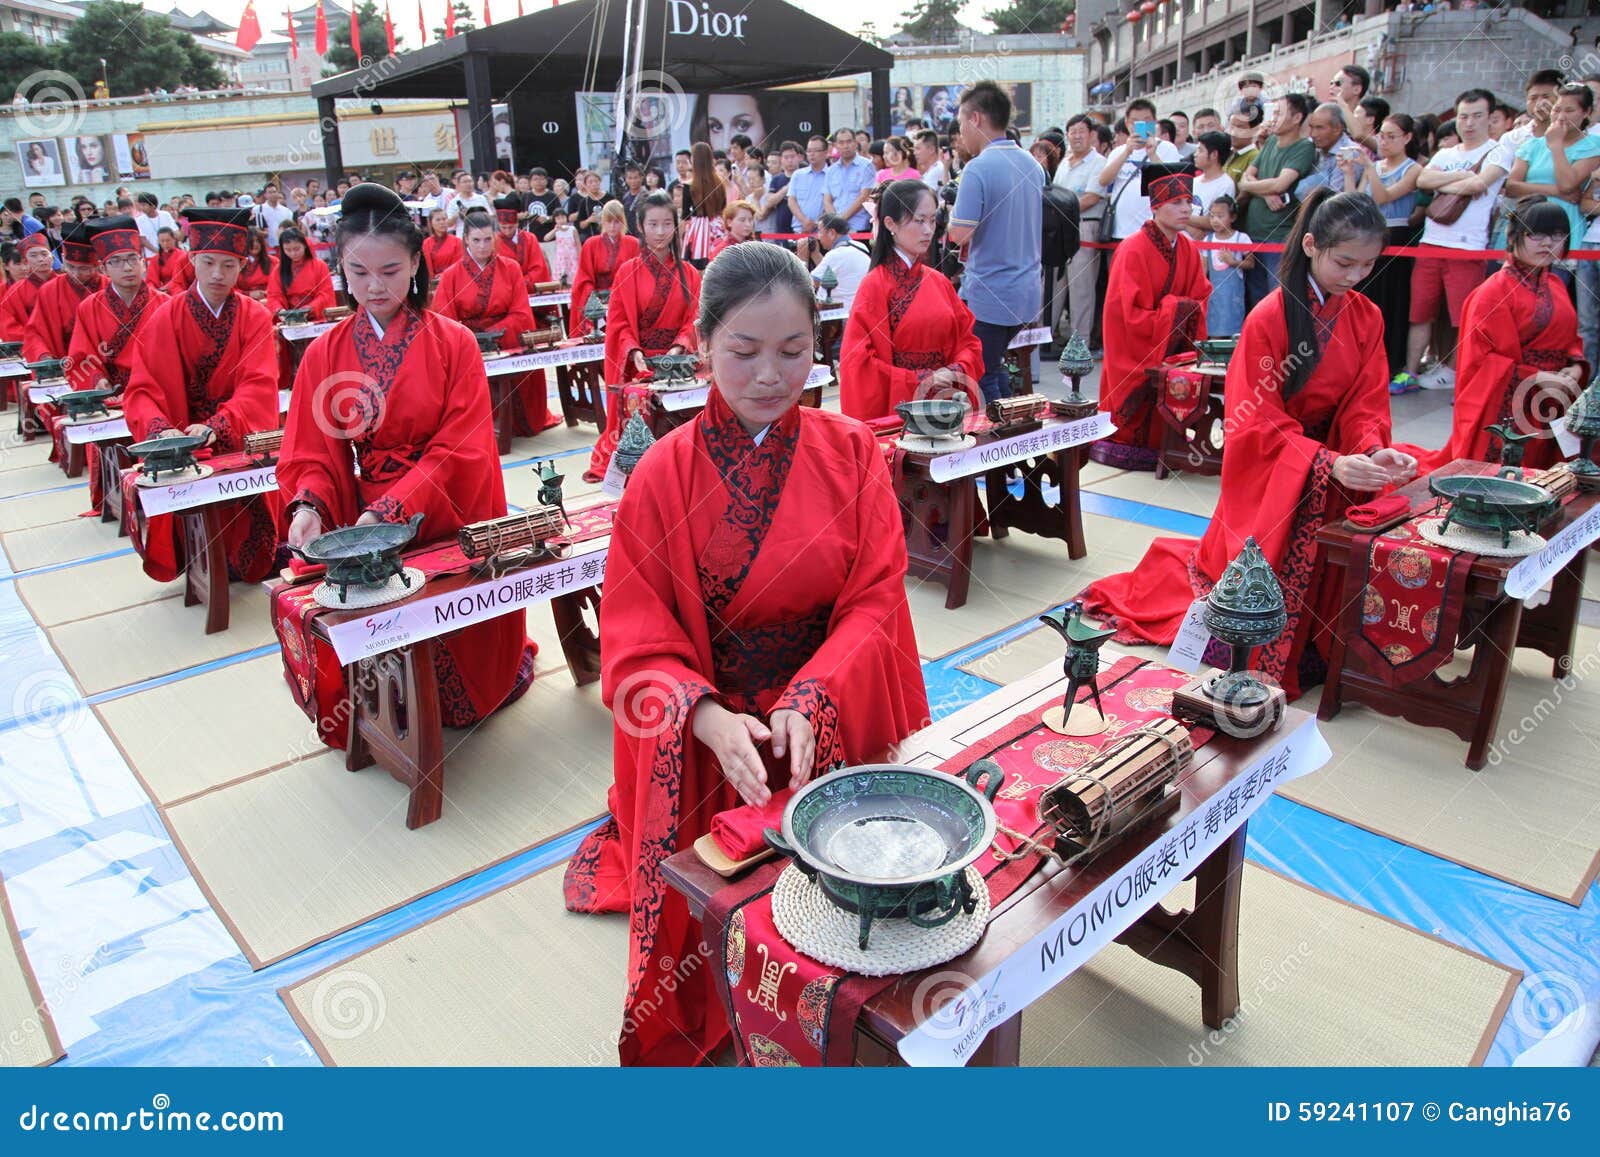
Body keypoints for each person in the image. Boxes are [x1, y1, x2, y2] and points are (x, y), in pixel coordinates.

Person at [562, 241, 928, 1067]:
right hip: (711, 733)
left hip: (818, 715)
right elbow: (632, 633)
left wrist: (814, 694)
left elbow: (876, 597)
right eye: (745, 351)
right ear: (702, 349)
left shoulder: (854, 452)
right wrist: (703, 713)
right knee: (719, 919)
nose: (771, 374)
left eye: (794, 351)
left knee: (843, 918)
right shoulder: (661, 474)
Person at [1082, 190, 1414, 702]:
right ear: (1310, 245)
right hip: (1281, 470)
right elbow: (1255, 422)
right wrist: (1327, 462)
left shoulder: (1366, 317)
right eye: (1344, 262)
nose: (1354, 276)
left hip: (1331, 459)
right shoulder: (1269, 318)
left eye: (1367, 266)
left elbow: (1366, 402)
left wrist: (1372, 450)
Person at [278, 183, 536, 747]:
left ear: (418, 263)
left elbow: (458, 449)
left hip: (447, 507)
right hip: (365, 516)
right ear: (340, 267)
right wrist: (310, 505)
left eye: (391, 271)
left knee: (463, 698)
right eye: (359, 272)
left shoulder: (455, 344)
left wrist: (391, 512)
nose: (375, 287)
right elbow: (314, 453)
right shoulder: (325, 352)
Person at [122, 207, 281, 585]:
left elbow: (258, 385)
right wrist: (161, 430)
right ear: (192, 259)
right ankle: (202, 558)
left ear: (242, 266)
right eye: (208, 262)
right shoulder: (166, 315)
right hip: (182, 445)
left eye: (229, 265)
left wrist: (216, 426)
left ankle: (245, 558)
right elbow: (142, 389)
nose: (217, 274)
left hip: (236, 435)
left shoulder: (254, 315)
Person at [1403, 199, 1586, 474]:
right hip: (1510, 403)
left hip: (1552, 396)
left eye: (1558, 235)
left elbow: (1570, 339)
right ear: (1512, 237)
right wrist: (1536, 377)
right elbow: (1482, 360)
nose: (1549, 242)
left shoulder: (1557, 283)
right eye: (1536, 234)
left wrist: (1574, 365)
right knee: (1501, 477)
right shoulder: (1494, 292)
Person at [1091, 164, 1211, 469]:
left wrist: (1175, 311)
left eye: (1188, 202)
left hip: (1172, 347)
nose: (1186, 210)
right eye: (1176, 203)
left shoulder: (1188, 248)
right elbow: (1127, 316)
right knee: (1131, 428)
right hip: (1136, 348)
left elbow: (1201, 297)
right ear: (1156, 205)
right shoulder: (1132, 250)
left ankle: (1170, 440)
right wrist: (1175, 310)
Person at [839, 182, 984, 420]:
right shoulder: (874, 285)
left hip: (945, 400)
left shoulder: (939, 282)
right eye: (919, 220)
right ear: (890, 224)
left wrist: (956, 370)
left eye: (932, 220)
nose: (928, 230)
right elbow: (859, 362)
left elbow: (968, 340)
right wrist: (921, 380)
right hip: (902, 408)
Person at [585, 191, 701, 482]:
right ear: (640, 226)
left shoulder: (689, 273)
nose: (660, 232)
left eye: (666, 224)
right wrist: (633, 351)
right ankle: (641, 459)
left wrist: (679, 348)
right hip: (639, 364)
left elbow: (694, 320)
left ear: (676, 226)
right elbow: (620, 322)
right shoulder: (627, 271)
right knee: (638, 399)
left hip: (680, 363)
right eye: (652, 224)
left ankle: (687, 455)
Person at [946, 80, 1045, 404]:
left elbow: (958, 234)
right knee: (996, 366)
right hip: (1027, 292)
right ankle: (1014, 435)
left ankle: (998, 447)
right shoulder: (1033, 164)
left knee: (982, 372)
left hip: (990, 292)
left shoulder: (978, 169)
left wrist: (947, 214)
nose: (961, 132)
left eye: (961, 122)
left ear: (976, 118)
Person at [53, 217, 165, 501]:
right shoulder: (90, 307)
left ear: (144, 262)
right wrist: (98, 380)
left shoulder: (166, 304)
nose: (127, 267)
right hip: (112, 394)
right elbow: (80, 356)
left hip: (158, 393)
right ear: (103, 268)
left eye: (132, 259)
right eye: (116, 261)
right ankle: (117, 495)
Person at [1405, 88, 1508, 392]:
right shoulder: (1446, 153)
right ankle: (1410, 372)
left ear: (1490, 118)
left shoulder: (1498, 151)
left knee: (1464, 317)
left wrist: (1449, 181)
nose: (1469, 123)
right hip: (1431, 242)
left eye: (1477, 116)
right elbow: (1422, 180)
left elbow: (1481, 183)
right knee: (1420, 312)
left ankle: (1456, 373)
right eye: (1464, 116)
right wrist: (1460, 179)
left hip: (1468, 247)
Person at [433, 209, 555, 440]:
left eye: (488, 239)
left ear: (495, 238)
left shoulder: (510, 268)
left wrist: (493, 335)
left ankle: (517, 421)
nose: (482, 246)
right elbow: (444, 319)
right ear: (465, 239)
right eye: (476, 240)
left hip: (505, 338)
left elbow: (521, 314)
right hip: (468, 343)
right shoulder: (451, 275)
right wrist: (471, 340)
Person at [1347, 114, 1422, 385]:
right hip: (1367, 234)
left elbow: (1383, 197)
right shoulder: (1374, 167)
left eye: (1392, 136)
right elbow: (1354, 200)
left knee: (1393, 301)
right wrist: (1349, 172)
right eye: (1383, 135)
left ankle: (1391, 363)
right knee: (1364, 298)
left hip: (1397, 235)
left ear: (1407, 138)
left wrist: (1369, 167)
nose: (1386, 142)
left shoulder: (1412, 169)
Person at [1238, 91, 1317, 307]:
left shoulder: (1304, 147)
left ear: (1297, 117)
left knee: (1276, 299)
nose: (1273, 118)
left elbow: (1281, 184)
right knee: (1254, 298)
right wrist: (1266, 192)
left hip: (1279, 235)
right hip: (1253, 233)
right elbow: (1246, 176)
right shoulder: (1271, 141)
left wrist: (1254, 186)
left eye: (1280, 113)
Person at [1095, 98, 1184, 245]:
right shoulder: (1119, 151)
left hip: (1156, 230)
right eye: (1135, 121)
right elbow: (1103, 181)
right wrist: (1127, 152)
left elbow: (1171, 184)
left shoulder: (1167, 148)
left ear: (1155, 122)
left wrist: (1152, 154)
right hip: (1121, 231)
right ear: (1127, 123)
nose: (1141, 125)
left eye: (1146, 120)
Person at [1055, 114, 1105, 351]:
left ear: (1091, 134)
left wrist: (1064, 208)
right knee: (1056, 283)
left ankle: (1080, 343)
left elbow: (1092, 197)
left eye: (1081, 131)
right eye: (1072, 131)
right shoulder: (1064, 163)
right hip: (1060, 228)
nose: (1076, 136)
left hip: (1085, 225)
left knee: (1081, 286)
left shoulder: (1098, 163)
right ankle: (1049, 337)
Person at [23, 222, 100, 362]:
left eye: (84, 268)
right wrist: (43, 355)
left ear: (97, 265)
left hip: (103, 359)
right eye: (71, 267)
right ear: (63, 260)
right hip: (62, 362)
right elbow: (36, 331)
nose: (76, 274)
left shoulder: (109, 287)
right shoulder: (49, 290)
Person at [567, 201, 638, 334]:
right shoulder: (590, 244)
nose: (612, 226)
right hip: (597, 298)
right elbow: (584, 276)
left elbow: (637, 277)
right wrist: (593, 297)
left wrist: (616, 293)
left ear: (623, 222)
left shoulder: (633, 244)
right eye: (608, 221)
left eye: (617, 222)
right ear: (602, 222)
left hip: (624, 298)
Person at [1203, 195, 1252, 336]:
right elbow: (1203, 270)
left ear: (1232, 217)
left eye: (1220, 216)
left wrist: (1233, 262)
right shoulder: (1208, 240)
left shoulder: (1241, 238)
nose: (1215, 221)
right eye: (1212, 216)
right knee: (1214, 332)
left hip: (1233, 297)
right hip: (1214, 297)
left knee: (1234, 334)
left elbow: (1251, 263)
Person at [267, 226, 336, 319]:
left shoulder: (320, 265)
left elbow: (325, 294)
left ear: (304, 245)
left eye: (296, 249)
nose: (293, 253)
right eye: (288, 250)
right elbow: (273, 297)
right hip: (288, 317)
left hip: (315, 315)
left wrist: (308, 309)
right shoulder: (278, 270)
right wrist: (281, 312)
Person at [808, 214, 870, 311]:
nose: (818, 237)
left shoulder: (835, 254)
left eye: (820, 231)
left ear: (832, 233)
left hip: (839, 315)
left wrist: (802, 259)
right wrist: (815, 254)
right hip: (859, 310)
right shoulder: (861, 247)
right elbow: (831, 271)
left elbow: (810, 283)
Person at [492, 196, 554, 291]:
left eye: (511, 227)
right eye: (503, 227)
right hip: (506, 289)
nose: (507, 231)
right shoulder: (494, 242)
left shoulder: (530, 238)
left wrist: (521, 283)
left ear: (517, 224)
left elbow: (538, 268)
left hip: (529, 286)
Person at [681, 142, 728, 266]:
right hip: (718, 227)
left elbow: (685, 215)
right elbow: (723, 207)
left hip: (697, 229)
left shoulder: (689, 186)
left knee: (696, 266)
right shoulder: (719, 182)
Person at [0, 233, 53, 341]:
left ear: (52, 257)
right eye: (33, 256)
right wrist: (35, 343)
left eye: (44, 254)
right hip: (32, 347)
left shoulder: (67, 283)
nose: (40, 259)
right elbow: (7, 325)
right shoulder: (15, 291)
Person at [823, 127, 877, 233]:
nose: (845, 146)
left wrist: (841, 220)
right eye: (841, 143)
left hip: (859, 228)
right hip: (835, 229)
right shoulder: (831, 170)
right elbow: (827, 200)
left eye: (848, 142)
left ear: (855, 143)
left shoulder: (866, 165)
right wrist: (835, 221)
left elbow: (864, 196)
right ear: (835, 146)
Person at [1188, 131, 1236, 236]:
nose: (1195, 154)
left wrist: (1182, 218)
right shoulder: (1194, 181)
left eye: (1200, 150)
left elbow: (1216, 220)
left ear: (1214, 154)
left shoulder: (1225, 184)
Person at [786, 134, 830, 244]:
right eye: (809, 151)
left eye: (816, 150)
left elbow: (833, 203)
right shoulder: (798, 175)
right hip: (799, 232)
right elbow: (791, 200)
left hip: (823, 233)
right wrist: (804, 221)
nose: (812, 154)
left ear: (825, 152)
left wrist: (816, 223)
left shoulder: (833, 175)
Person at [422, 207, 463, 281]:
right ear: (431, 223)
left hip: (453, 280)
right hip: (432, 283)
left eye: (444, 219)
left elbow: (459, 264)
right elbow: (426, 267)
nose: (442, 222)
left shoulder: (457, 242)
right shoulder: (426, 244)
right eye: (438, 220)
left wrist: (444, 275)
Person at [132, 192, 177, 258]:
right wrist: (158, 252)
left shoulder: (165, 215)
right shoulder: (140, 220)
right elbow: (143, 240)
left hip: (170, 253)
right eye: (141, 205)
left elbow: (174, 233)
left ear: (153, 206)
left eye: (144, 205)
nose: (142, 208)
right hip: (151, 256)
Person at [253, 183, 295, 247]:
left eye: (274, 192)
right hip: (265, 247)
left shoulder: (287, 211)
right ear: (265, 195)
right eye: (270, 192)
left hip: (283, 246)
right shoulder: (257, 210)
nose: (273, 194)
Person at [549, 207, 582, 288]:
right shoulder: (556, 231)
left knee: (573, 277)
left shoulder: (572, 229)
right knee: (560, 278)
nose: (561, 220)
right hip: (561, 258)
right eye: (558, 218)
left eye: (563, 217)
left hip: (572, 256)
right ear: (555, 220)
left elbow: (578, 243)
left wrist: (580, 256)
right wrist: (555, 230)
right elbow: (546, 238)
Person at [238, 228, 272, 301]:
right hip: (244, 301)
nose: (255, 244)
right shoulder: (237, 262)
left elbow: (281, 285)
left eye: (257, 241)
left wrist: (268, 293)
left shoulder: (273, 261)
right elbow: (231, 289)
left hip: (268, 300)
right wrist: (249, 294)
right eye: (251, 241)